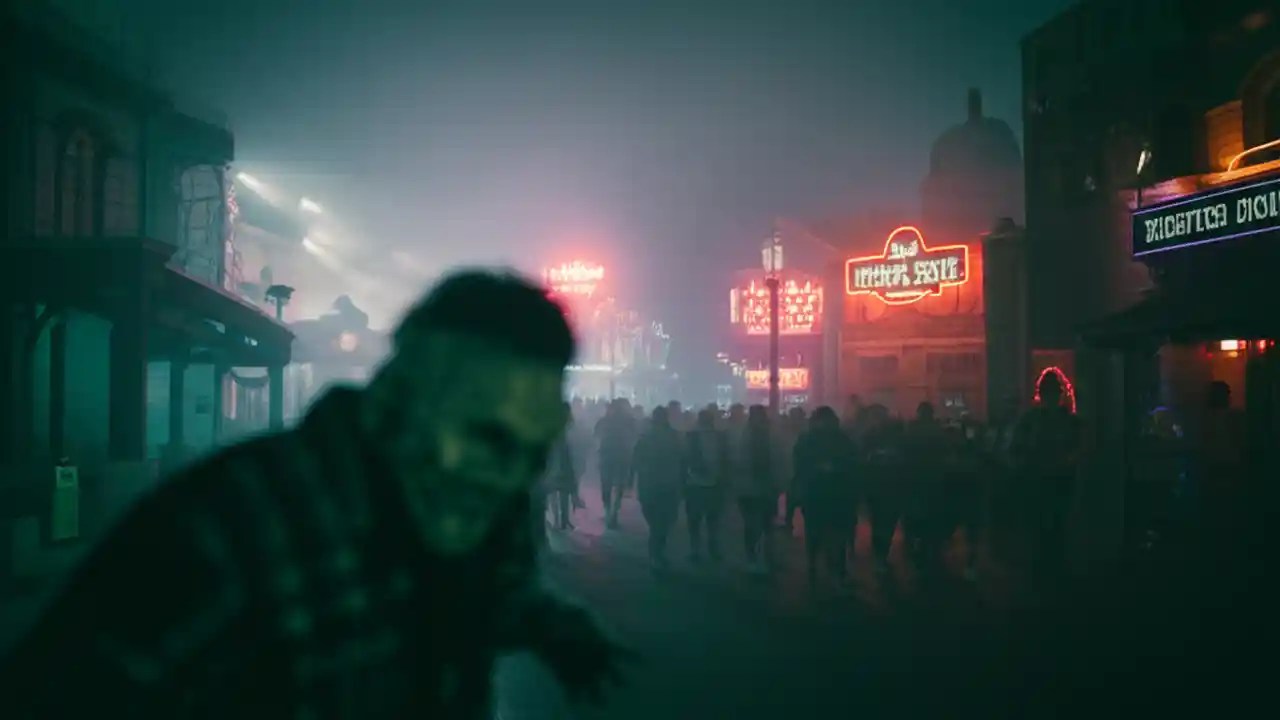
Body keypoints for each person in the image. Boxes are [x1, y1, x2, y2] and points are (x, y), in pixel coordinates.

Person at [0, 271, 630, 718]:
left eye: (532, 450)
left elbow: (491, 591)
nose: (508, 478)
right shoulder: (226, 529)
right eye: (486, 436)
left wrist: (559, 631)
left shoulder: (479, 501)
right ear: (401, 403)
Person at [1011, 371, 1083, 583]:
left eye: (1052, 393)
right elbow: (1017, 449)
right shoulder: (1045, 420)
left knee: (1051, 529)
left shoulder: (1036, 420)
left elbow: (1080, 449)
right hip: (1047, 481)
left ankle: (1048, 573)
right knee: (1048, 530)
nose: (1051, 397)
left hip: (1052, 481)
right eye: (1049, 392)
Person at [794, 406, 858, 590]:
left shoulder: (808, 440)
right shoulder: (843, 440)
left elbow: (799, 465)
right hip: (835, 494)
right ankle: (834, 571)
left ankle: (819, 565)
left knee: (817, 531)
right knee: (834, 534)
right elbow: (853, 466)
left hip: (819, 494)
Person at [631, 406, 685, 571]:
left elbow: (635, 461)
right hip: (665, 486)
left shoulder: (648, 437)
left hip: (653, 486)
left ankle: (656, 553)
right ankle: (657, 553)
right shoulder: (671, 436)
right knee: (662, 522)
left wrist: (630, 480)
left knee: (658, 523)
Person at [684, 408, 729, 563]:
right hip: (700, 482)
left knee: (706, 519)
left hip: (702, 483)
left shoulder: (694, 436)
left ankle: (701, 548)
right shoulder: (697, 436)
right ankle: (704, 548)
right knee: (706, 519)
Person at [735, 405, 776, 574]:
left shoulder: (770, 435)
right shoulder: (745, 436)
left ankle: (763, 557)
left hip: (764, 487)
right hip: (750, 488)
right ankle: (753, 557)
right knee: (753, 525)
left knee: (766, 525)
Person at [595, 398, 637, 529]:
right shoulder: (630, 421)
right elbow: (635, 438)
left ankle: (609, 511)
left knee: (606, 484)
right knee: (620, 485)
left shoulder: (604, 420)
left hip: (607, 455)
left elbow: (596, 436)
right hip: (623, 456)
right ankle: (614, 512)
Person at [545, 402, 581, 531]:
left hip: (560, 458)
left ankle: (561, 520)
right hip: (558, 458)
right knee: (559, 490)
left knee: (559, 490)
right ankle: (560, 520)